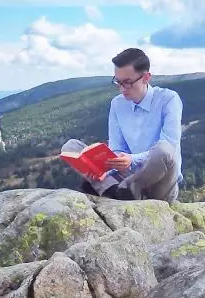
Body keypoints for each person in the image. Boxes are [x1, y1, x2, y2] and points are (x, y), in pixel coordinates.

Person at [62, 47, 183, 201]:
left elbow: (170, 146)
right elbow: (117, 147)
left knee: (164, 149)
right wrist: (104, 167)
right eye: (118, 82)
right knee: (71, 147)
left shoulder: (168, 99)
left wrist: (132, 159)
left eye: (127, 82)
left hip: (160, 181)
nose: (122, 89)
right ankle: (115, 189)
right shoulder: (117, 104)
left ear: (146, 77)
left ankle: (120, 190)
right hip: (125, 175)